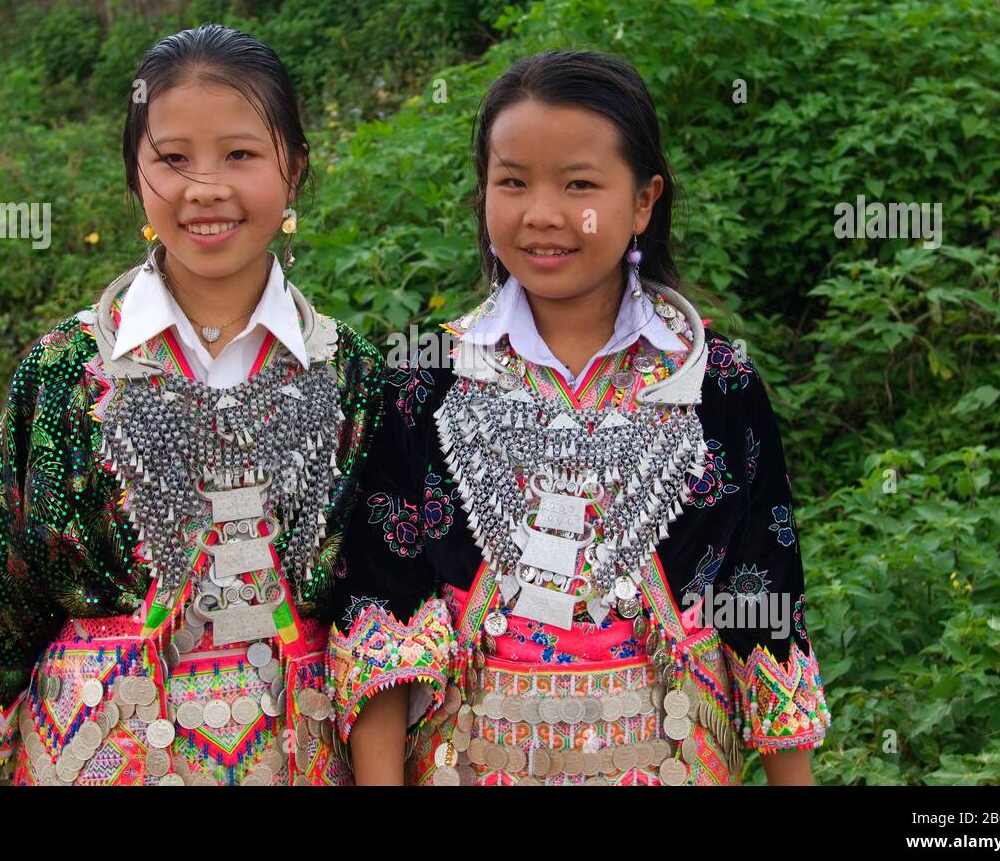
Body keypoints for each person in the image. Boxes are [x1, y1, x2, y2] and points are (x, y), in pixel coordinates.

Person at [328, 49, 831, 786]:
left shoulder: (715, 382)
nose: (542, 214)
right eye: (512, 182)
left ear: (643, 200)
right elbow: (381, 608)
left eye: (579, 185)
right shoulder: (423, 383)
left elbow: (764, 601)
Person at [0, 24, 384, 786]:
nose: (205, 187)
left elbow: (378, 602)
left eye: (240, 154)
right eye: (172, 159)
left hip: (296, 754)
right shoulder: (66, 369)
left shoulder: (349, 371)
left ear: (295, 169)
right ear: (135, 177)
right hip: (93, 753)